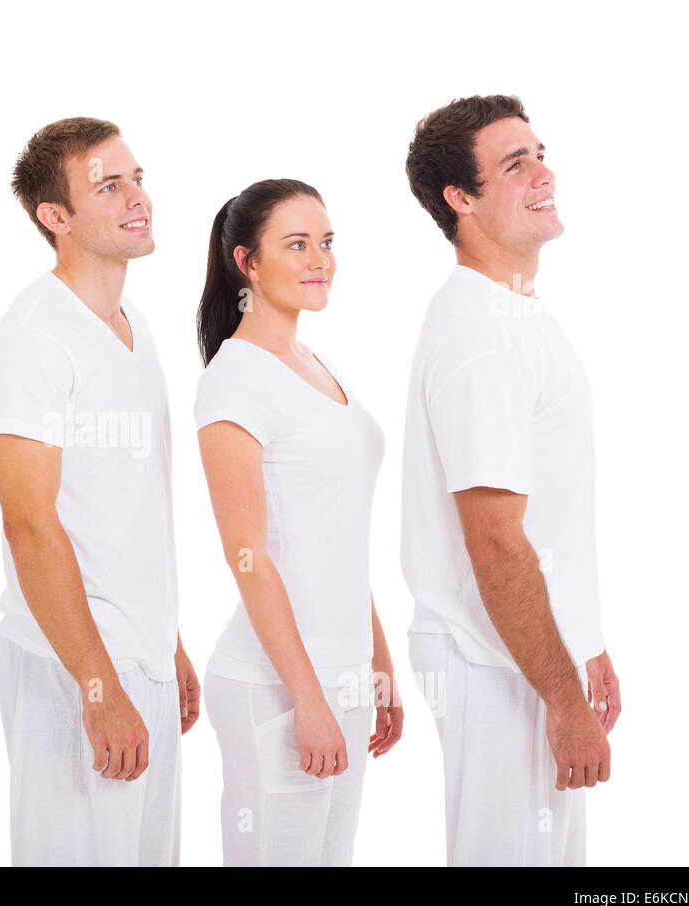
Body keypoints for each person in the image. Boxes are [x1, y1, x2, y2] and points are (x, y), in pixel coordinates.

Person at [401, 94, 622, 866]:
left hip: (529, 655)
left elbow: (549, 510)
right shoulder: (480, 335)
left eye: (539, 153)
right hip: (492, 664)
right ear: (460, 200)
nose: (543, 173)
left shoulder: (517, 315)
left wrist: (584, 642)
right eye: (513, 163)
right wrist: (564, 699)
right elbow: (494, 541)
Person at [0, 117, 199, 866]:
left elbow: (128, 507)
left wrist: (166, 644)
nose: (137, 197)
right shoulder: (31, 339)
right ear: (55, 217)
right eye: (109, 185)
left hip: (142, 659)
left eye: (137, 178)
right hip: (72, 668)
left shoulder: (134, 325)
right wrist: (99, 685)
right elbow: (29, 525)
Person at [194, 180, 403, 866]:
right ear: (247, 263)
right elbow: (247, 554)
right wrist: (308, 697)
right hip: (275, 685)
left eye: (327, 242)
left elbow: (335, 542)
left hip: (342, 673)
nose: (320, 259)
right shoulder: (235, 381)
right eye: (296, 244)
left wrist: (378, 665)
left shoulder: (318, 365)